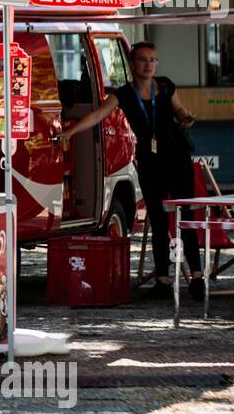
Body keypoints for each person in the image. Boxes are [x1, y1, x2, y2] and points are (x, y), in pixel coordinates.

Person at [57, 41, 204, 299]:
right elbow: (96, 116)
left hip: (177, 156)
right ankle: (162, 280)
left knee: (186, 214)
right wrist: (70, 131)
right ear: (132, 63)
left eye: (153, 60)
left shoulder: (166, 85)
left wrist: (186, 117)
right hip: (149, 159)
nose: (149, 65)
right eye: (143, 60)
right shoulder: (123, 94)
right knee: (158, 219)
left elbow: (179, 110)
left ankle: (197, 277)